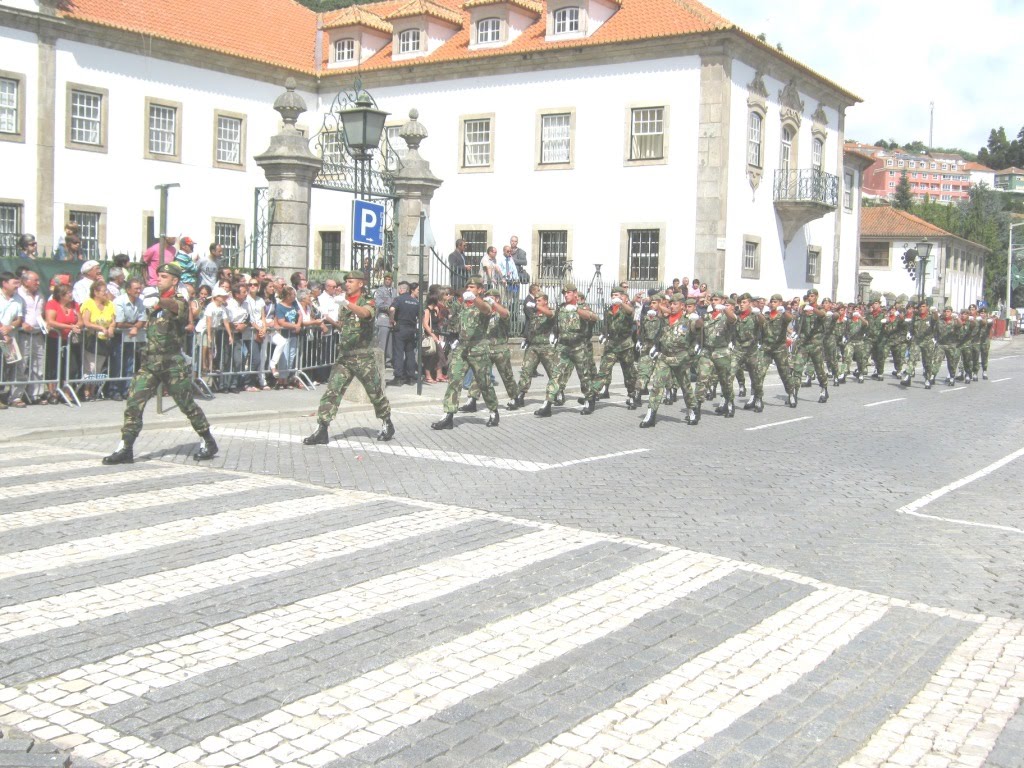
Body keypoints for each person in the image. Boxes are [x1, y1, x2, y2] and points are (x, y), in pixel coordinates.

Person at [103, 262, 216, 464]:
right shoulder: (152, 303)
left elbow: (178, 308)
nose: (159, 279)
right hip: (150, 363)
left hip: (172, 364)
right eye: (158, 275)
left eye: (164, 276)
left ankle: (208, 440)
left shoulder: (178, 300)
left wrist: (160, 301)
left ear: (174, 280)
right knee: (133, 403)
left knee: (187, 405)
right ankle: (125, 447)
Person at [303, 271, 394, 445]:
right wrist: (328, 319)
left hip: (363, 357)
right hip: (345, 356)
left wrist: (346, 303)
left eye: (351, 281)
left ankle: (387, 422)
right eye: (346, 281)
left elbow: (365, 314)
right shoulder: (342, 302)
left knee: (375, 393)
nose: (347, 284)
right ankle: (322, 429)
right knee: (332, 392)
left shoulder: (367, 300)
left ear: (360, 283)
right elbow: (344, 326)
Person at [431, 277, 499, 429]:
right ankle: (448, 415)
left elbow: (487, 310)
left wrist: (475, 299)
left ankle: (493, 410)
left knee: (484, 382)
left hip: (478, 348)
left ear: (480, 289)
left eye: (473, 287)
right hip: (462, 347)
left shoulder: (485, 302)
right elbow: (446, 305)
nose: (469, 289)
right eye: (468, 287)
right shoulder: (461, 304)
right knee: (454, 379)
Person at [534, 282, 600, 417]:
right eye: (564, 293)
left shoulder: (582, 307)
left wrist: (577, 310)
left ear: (575, 293)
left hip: (579, 346)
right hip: (563, 347)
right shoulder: (561, 308)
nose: (566, 295)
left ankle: (589, 400)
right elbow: (551, 314)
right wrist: (539, 307)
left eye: (568, 292)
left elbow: (593, 317)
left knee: (584, 375)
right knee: (555, 374)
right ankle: (547, 404)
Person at [463, 288, 519, 411]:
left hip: (499, 349)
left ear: (497, 299)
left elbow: (505, 314)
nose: (488, 300)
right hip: (485, 349)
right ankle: (471, 400)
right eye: (487, 298)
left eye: (491, 298)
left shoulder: (501, 311)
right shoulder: (483, 312)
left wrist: (494, 304)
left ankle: (514, 398)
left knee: (507, 375)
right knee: (478, 376)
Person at [591, 285, 637, 407]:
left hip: (625, 345)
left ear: (622, 296)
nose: (614, 297)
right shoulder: (609, 310)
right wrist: (602, 334)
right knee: (603, 371)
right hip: (612, 346)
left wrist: (621, 303)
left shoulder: (626, 308)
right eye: (612, 295)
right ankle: (591, 395)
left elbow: (630, 312)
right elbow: (606, 325)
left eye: (616, 295)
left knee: (629, 373)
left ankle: (632, 394)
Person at [695, 293, 738, 416]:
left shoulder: (727, 315)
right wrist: (696, 318)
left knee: (725, 381)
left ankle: (729, 403)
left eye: (716, 300)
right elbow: (699, 326)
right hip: (707, 351)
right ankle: (696, 407)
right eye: (712, 300)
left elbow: (733, 320)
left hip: (722, 352)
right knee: (701, 378)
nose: (713, 302)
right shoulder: (707, 315)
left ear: (723, 300)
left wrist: (724, 309)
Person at [514, 290, 557, 406]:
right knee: (526, 371)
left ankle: (558, 393)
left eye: (539, 300)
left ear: (545, 301)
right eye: (535, 300)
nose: (536, 302)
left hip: (546, 347)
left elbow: (550, 315)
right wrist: (526, 340)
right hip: (533, 347)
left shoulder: (550, 312)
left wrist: (536, 306)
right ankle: (520, 395)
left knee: (553, 373)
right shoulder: (534, 314)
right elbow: (531, 329)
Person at [108, 278, 146, 401]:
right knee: (118, 363)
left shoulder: (140, 302)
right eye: (136, 289)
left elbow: (142, 319)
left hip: (131, 336)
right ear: (128, 290)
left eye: (140, 288)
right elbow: (119, 323)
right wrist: (134, 326)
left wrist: (136, 326)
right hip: (119, 336)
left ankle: (126, 390)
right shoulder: (119, 301)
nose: (139, 291)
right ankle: (114, 390)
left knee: (130, 364)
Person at [43, 282, 81, 404]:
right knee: (53, 366)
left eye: (71, 292)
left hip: (70, 339)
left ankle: (66, 392)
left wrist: (76, 326)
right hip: (55, 338)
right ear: (61, 295)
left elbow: (80, 321)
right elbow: (50, 321)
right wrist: (69, 327)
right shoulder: (52, 304)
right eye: (68, 293)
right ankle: (52, 392)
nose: (71, 295)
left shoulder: (74, 305)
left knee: (72, 366)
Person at [12, 270, 46, 405]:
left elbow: (40, 313)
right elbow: (15, 314)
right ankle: (15, 396)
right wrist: (22, 323)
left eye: (38, 280)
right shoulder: (18, 294)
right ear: (26, 281)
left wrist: (44, 323)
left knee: (38, 365)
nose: (38, 283)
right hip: (23, 334)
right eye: (35, 280)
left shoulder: (40, 294)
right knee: (21, 365)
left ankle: (36, 394)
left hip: (38, 334)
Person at [759, 293, 798, 407]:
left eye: (775, 302)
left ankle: (791, 394)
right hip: (766, 347)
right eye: (771, 301)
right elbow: (761, 321)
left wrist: (784, 311)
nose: (772, 304)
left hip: (779, 348)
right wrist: (756, 313)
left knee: (784, 373)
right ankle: (757, 396)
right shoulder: (766, 315)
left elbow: (790, 318)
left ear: (780, 303)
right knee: (759, 372)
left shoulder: (783, 316)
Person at [79, 280, 115, 401]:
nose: (106, 293)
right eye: (104, 291)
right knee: (91, 367)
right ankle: (86, 391)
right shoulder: (89, 303)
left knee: (98, 367)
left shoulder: (109, 304)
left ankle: (93, 391)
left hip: (104, 341)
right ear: (96, 292)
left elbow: (113, 320)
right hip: (91, 339)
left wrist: (111, 328)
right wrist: (100, 328)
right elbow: (86, 322)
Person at [389, 281, 420, 385]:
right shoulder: (415, 301)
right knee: (410, 353)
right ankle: (410, 377)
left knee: (398, 353)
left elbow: (392, 309)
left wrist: (391, 320)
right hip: (411, 329)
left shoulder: (398, 299)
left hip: (400, 328)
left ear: (401, 290)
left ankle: (398, 378)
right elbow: (421, 315)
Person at [373, 273, 396, 366]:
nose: (387, 281)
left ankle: (388, 361)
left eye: (389, 279)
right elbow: (379, 304)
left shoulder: (395, 291)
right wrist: (390, 308)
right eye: (386, 279)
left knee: (390, 342)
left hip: (393, 318)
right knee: (382, 342)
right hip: (384, 318)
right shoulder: (379, 291)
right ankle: (380, 361)